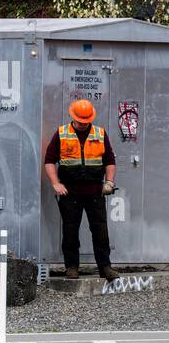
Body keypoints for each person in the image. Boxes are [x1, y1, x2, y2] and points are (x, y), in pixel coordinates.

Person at [43, 99, 118, 280]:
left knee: (100, 231)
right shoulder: (62, 134)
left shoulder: (100, 134)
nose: (83, 124)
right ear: (73, 117)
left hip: (95, 192)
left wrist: (109, 182)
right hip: (70, 193)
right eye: (80, 121)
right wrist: (55, 183)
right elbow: (49, 161)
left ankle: (105, 268)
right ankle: (71, 267)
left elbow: (110, 161)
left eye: (86, 121)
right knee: (70, 231)